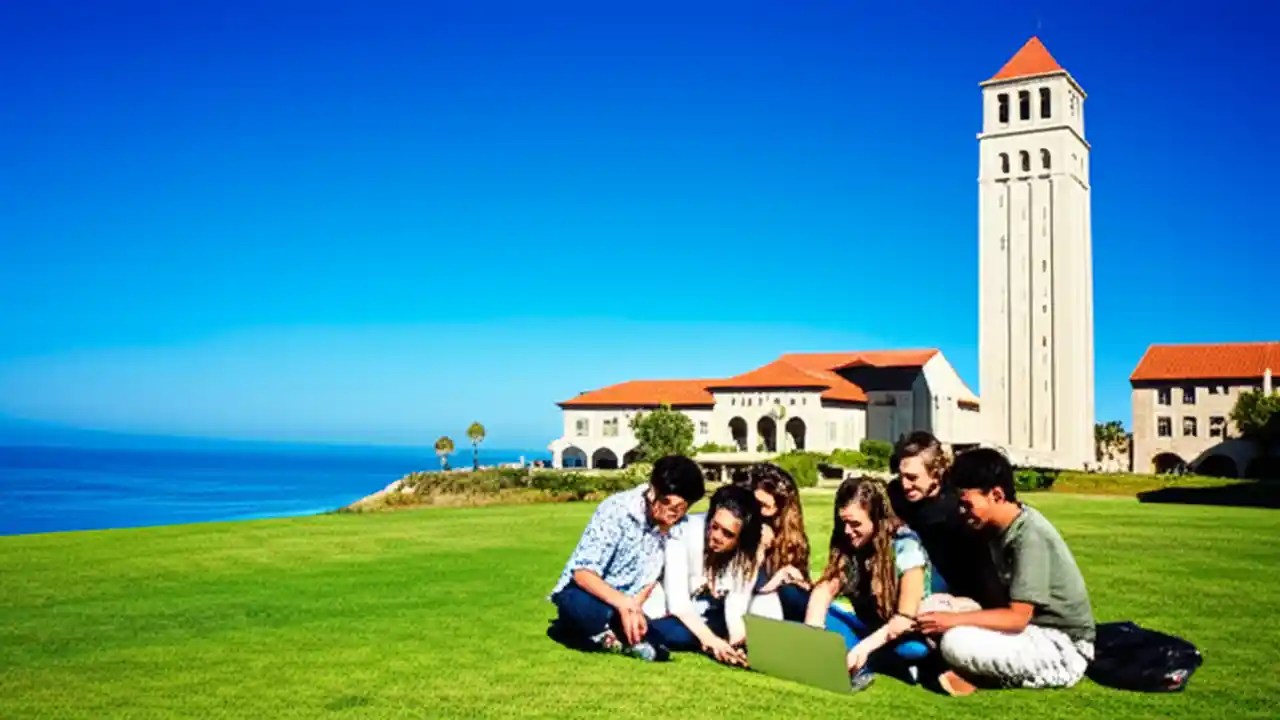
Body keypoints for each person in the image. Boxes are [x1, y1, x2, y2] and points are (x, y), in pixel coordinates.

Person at [916, 448, 1096, 695]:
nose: (961, 511)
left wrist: (953, 621)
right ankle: (974, 670)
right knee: (931, 607)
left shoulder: (1029, 535)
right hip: (1025, 631)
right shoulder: (994, 530)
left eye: (967, 504)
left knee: (955, 641)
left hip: (1061, 645)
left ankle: (980, 677)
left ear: (997, 495)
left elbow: (1017, 618)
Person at [547, 455, 706, 661]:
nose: (672, 514)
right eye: (667, 504)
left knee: (683, 634)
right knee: (580, 606)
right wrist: (624, 605)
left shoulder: (678, 526)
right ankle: (614, 635)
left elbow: (652, 578)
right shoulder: (616, 510)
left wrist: (635, 607)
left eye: (680, 509)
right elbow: (583, 573)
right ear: (653, 491)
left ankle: (612, 637)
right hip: (596, 596)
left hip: (635, 604)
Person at [804, 476, 935, 691]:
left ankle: (869, 661)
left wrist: (862, 649)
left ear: (877, 519)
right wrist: (813, 637)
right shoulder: (849, 545)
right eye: (843, 523)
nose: (847, 531)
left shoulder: (906, 546)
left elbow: (904, 619)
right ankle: (858, 659)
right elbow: (824, 590)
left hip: (904, 634)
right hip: (867, 627)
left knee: (912, 650)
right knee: (814, 610)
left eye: (855, 524)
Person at [646, 484, 763, 666]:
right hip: (665, 610)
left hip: (706, 615)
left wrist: (736, 645)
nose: (716, 536)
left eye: (728, 534)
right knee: (679, 633)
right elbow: (678, 604)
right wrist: (712, 641)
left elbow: (736, 606)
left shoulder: (747, 555)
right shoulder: (682, 532)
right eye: (714, 526)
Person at [887, 431, 1006, 608]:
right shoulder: (895, 495)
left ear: (935, 474)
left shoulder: (959, 505)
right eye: (901, 476)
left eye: (913, 478)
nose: (905, 485)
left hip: (960, 586)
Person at [745, 464, 812, 621]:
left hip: (775, 602)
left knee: (794, 594)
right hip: (748, 600)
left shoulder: (790, 536)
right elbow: (740, 589)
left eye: (771, 508)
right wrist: (760, 549)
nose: (763, 514)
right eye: (759, 505)